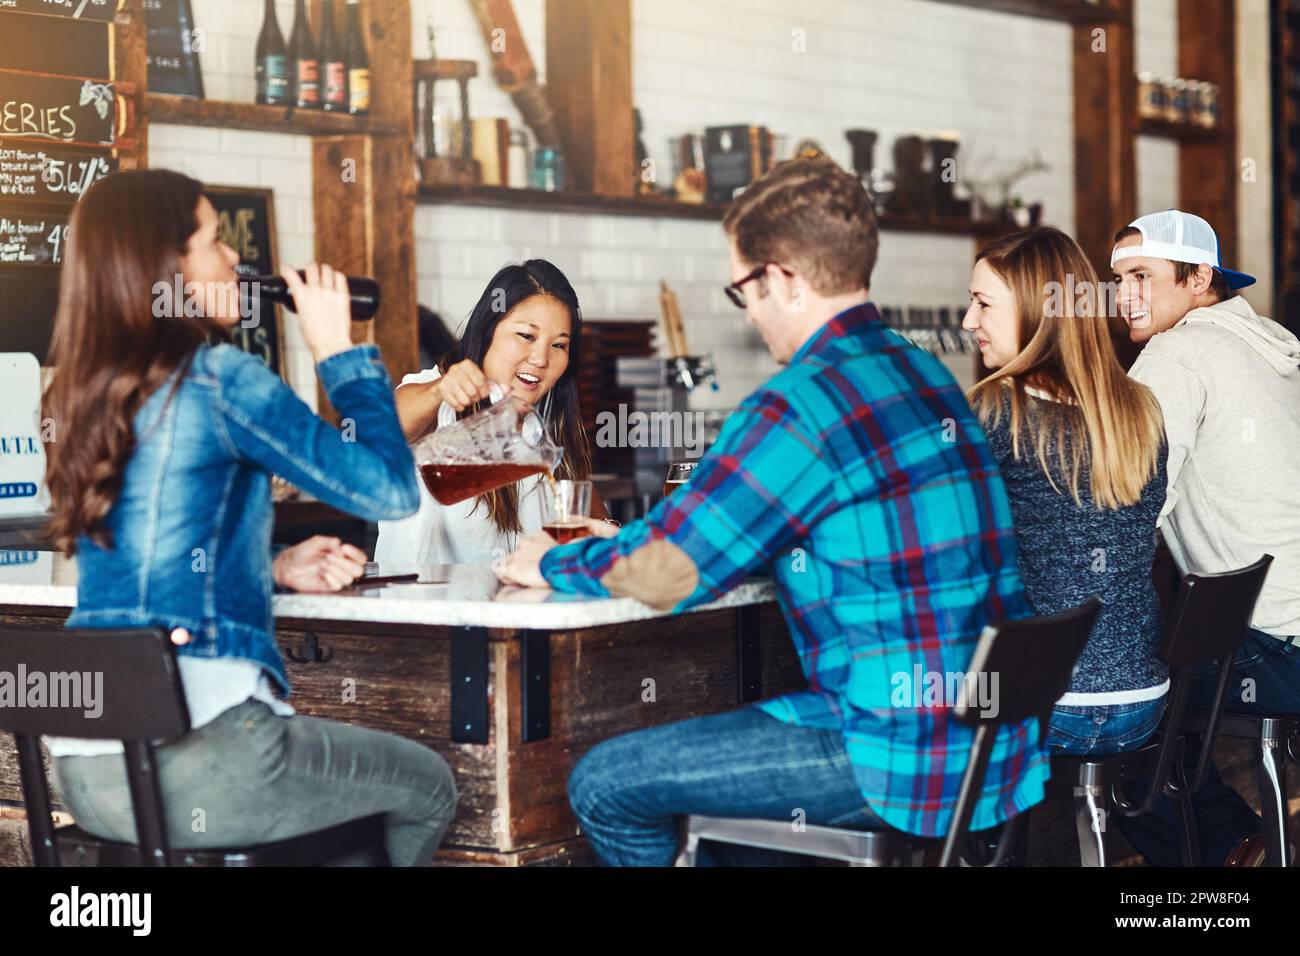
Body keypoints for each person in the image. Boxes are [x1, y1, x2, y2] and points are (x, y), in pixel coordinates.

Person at [496, 154, 1043, 866]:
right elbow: (725, 531)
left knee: (604, 782)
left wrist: (555, 558)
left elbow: (668, 574)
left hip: (892, 753)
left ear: (782, 278)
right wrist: (628, 538)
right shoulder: (923, 371)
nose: (749, 312)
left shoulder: (800, 403)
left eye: (743, 290)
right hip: (990, 745)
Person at [42, 170, 457, 866]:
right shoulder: (223, 381)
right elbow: (390, 491)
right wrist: (338, 351)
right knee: (430, 785)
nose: (236, 259)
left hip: (87, 774)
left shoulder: (74, 397)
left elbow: (151, 561)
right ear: (166, 264)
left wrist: (271, 569)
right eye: (214, 242)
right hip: (205, 764)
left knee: (345, 832)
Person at [1110, 209, 1300, 866]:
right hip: (1287, 632)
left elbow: (1124, 506)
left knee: (1111, 707)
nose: (1124, 296)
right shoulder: (1268, 345)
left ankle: (1224, 852)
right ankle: (1238, 842)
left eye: (1142, 275)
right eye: (1117, 279)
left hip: (1272, 648)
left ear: (1198, 279)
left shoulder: (1177, 353)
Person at [963, 227, 1169, 756]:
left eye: (982, 304)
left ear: (1035, 309)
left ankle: (969, 838)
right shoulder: (1140, 408)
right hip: (1144, 701)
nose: (969, 322)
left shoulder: (993, 407)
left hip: (1046, 705)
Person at [374, 260, 606, 567]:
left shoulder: (544, 431)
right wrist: (440, 390)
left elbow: (588, 510)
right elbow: (380, 435)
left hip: (520, 611)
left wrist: (613, 538)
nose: (540, 358)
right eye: (526, 336)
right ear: (488, 330)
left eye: (559, 345)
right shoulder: (435, 398)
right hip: (429, 611)